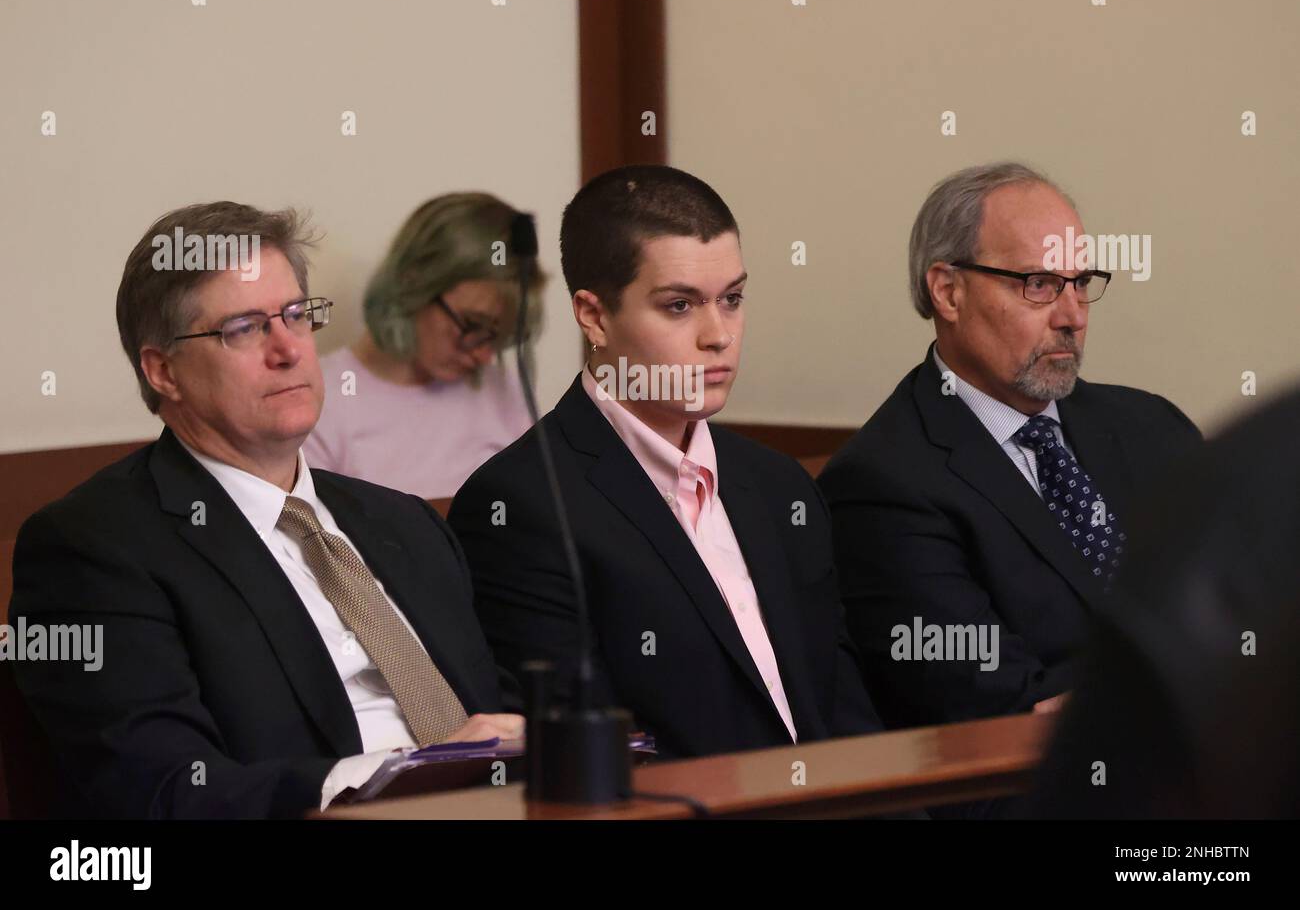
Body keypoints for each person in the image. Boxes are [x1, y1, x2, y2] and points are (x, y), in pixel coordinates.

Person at [8, 201, 522, 818]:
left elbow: (501, 711)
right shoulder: (93, 548)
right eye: (244, 328)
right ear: (163, 371)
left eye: (297, 316)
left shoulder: (404, 523)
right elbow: (166, 792)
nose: (288, 350)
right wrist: (409, 776)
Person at [448, 165, 884, 760]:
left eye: (731, 300)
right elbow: (586, 753)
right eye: (680, 306)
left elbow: (845, 711)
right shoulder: (522, 504)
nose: (719, 335)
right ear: (594, 316)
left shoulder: (780, 485)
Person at [818, 162, 1202, 730]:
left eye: (1080, 283)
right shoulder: (883, 486)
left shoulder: (1152, 426)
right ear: (948, 291)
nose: (1072, 317)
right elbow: (1006, 705)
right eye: (1039, 285)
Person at [1025, 387, 1300, 818]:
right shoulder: (1271, 458)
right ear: (950, 312)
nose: (1071, 318)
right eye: (1037, 310)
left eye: (1088, 310)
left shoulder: (1152, 420)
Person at [304, 193, 543, 499]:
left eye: (497, 337)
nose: (484, 357)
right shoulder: (320, 400)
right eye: (472, 326)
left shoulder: (503, 392)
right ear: (413, 284)